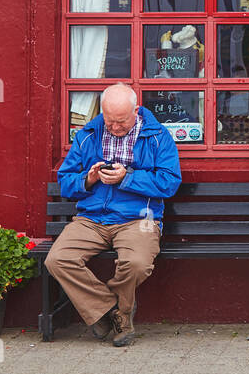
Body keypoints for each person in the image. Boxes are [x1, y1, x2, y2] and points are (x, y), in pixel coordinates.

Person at [45, 83, 182, 347]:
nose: (115, 127)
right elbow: (65, 181)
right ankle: (112, 311)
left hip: (138, 219)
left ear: (136, 111)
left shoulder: (158, 136)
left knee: (136, 264)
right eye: (109, 121)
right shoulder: (88, 134)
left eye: (121, 121)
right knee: (58, 260)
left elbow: (169, 182)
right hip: (91, 219)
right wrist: (88, 179)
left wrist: (127, 177)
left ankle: (113, 313)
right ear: (102, 112)